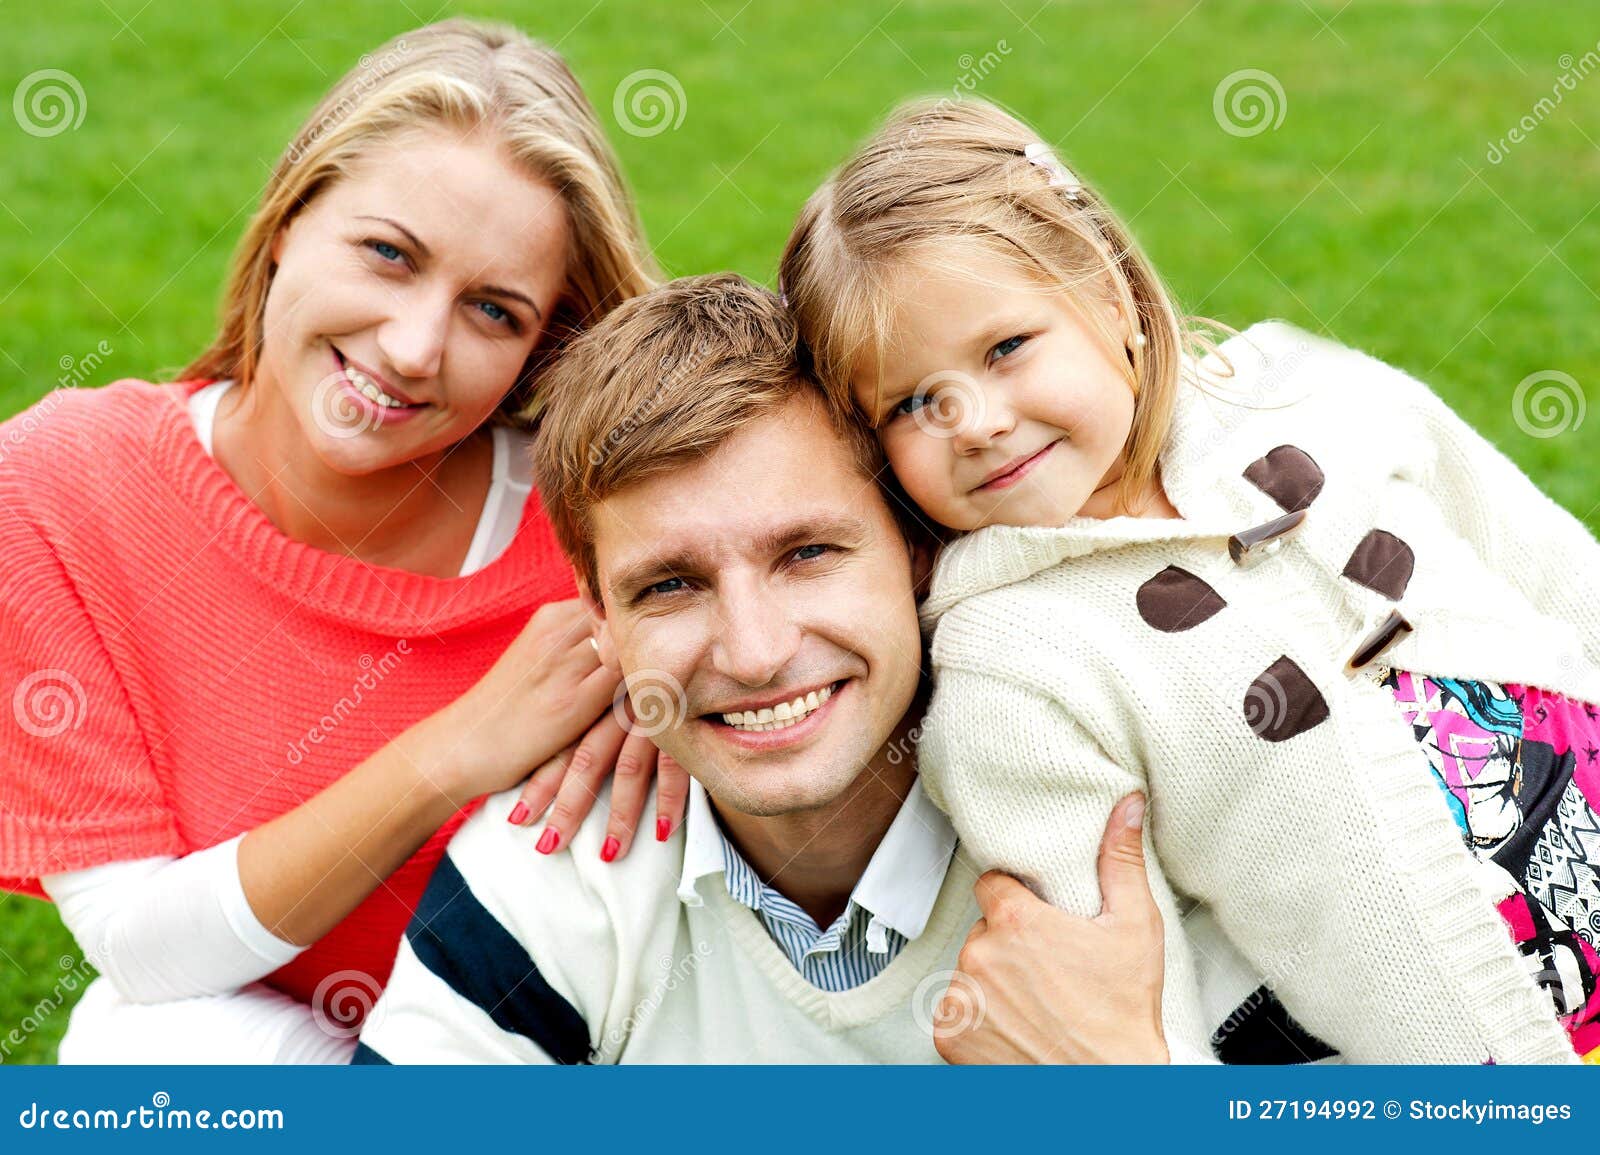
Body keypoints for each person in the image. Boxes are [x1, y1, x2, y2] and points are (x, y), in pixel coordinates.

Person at [778, 96, 1600, 1063]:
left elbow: (1558, 571)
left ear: (1112, 299)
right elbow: (1116, 988)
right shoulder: (1012, 667)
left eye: (1005, 349)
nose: (979, 420)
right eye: (914, 402)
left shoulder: (1314, 390)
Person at [0, 19, 687, 1064]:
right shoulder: (56, 489)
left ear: (542, 343)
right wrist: (450, 754)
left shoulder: (613, 523)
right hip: (323, 1059)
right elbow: (142, 952)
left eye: (492, 312)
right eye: (386, 255)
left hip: (614, 1049)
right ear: (287, 220)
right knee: (134, 1051)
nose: (413, 349)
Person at [354, 274, 1196, 1064]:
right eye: (671, 585)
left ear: (915, 544)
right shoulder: (554, 872)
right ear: (602, 614)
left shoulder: (1137, 795)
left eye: (807, 553)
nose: (754, 653)